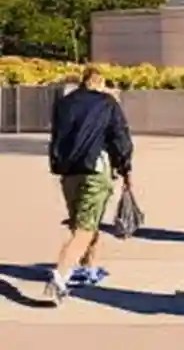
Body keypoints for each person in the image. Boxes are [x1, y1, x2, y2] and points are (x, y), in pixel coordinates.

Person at [45, 67, 133, 303]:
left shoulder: (64, 104)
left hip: (68, 172)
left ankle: (89, 268)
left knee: (84, 221)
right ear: (101, 82)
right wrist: (125, 168)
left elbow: (56, 137)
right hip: (95, 170)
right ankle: (60, 276)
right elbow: (119, 137)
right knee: (84, 229)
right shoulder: (107, 103)